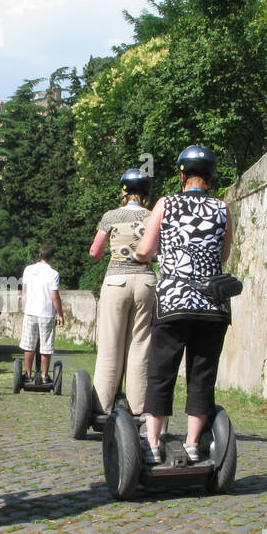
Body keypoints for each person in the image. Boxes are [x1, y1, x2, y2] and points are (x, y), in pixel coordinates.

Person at [133, 145, 232, 464]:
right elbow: (224, 255)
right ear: (210, 176)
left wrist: (144, 255)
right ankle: (192, 444)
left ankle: (153, 442)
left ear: (182, 175)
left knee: (162, 371)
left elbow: (146, 249)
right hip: (212, 306)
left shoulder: (166, 203)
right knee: (202, 374)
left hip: (174, 301)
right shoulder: (222, 208)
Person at [88, 168, 155, 415]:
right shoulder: (153, 216)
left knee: (110, 346)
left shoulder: (111, 216)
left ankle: (102, 407)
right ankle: (138, 409)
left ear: (124, 191)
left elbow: (95, 252)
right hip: (146, 281)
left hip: (116, 281)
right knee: (139, 346)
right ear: (146, 193)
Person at [19, 245, 64, 384]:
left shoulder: (28, 269)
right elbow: (55, 296)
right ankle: (44, 376)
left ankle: (27, 374)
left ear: (40, 255)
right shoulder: (53, 274)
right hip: (46, 313)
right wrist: (60, 314)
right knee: (46, 346)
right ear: (52, 257)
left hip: (30, 311)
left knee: (29, 344)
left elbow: (24, 290)